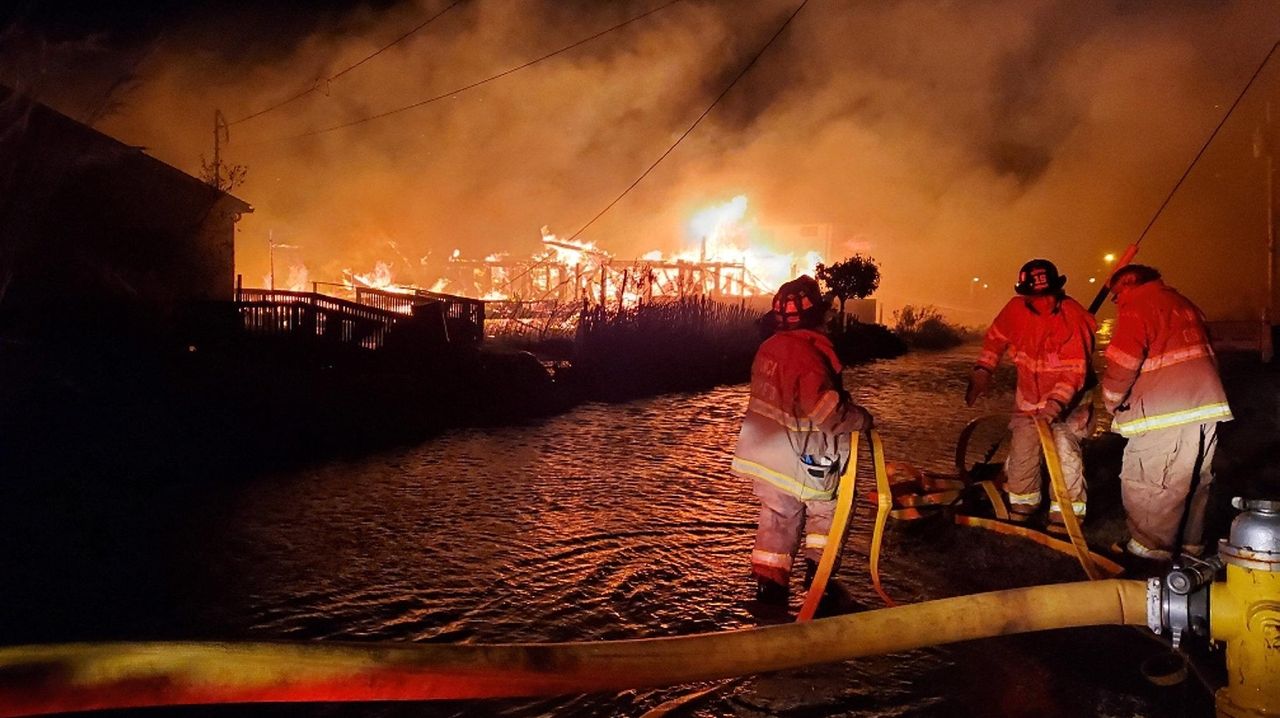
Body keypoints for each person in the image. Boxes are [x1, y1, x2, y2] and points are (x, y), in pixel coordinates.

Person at [731, 275, 873, 605]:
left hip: (767, 456)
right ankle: (818, 583)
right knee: (829, 510)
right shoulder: (809, 355)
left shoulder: (769, 347)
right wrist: (862, 419)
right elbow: (826, 413)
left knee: (777, 517)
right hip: (807, 456)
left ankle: (769, 591)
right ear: (818, 316)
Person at [1101, 264, 1233, 562]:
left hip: (1165, 411)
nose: (1117, 301)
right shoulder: (1183, 304)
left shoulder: (1138, 307)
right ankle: (1189, 547)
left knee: (1152, 482)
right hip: (1204, 406)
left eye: (1116, 294)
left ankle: (1150, 551)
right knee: (1195, 479)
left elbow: (1123, 363)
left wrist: (1110, 401)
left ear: (1128, 284)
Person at [965, 259, 1097, 531]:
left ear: (1057, 290)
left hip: (1070, 402)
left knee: (1063, 451)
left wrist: (1054, 406)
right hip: (1028, 400)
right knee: (1023, 451)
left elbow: (1074, 372)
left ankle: (1066, 515)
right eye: (1035, 298)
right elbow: (995, 339)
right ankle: (1023, 506)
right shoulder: (1015, 309)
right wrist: (983, 370)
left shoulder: (1074, 316)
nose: (1041, 302)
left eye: (1046, 297)